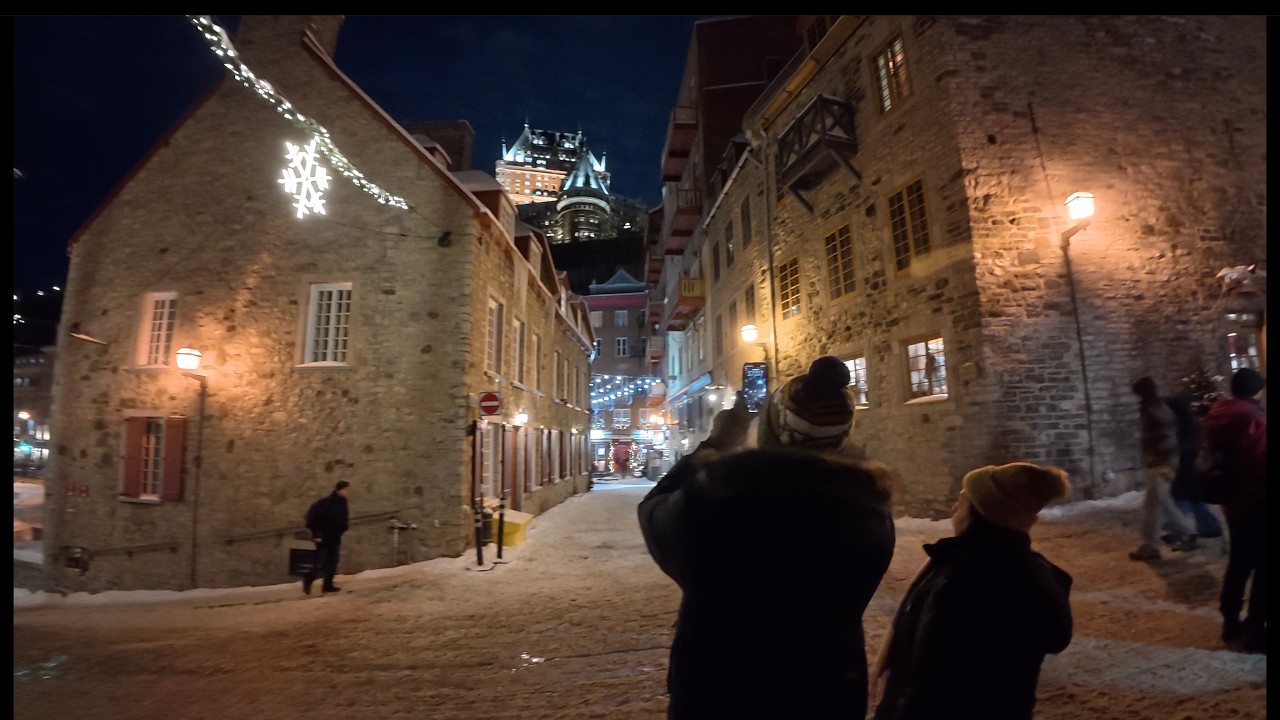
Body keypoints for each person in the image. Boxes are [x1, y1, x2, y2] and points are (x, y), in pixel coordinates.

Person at [637, 356, 896, 719]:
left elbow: (652, 510)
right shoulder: (867, 510)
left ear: (775, 428)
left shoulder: (714, 504)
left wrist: (717, 443)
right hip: (826, 693)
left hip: (720, 696)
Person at [870, 462, 1073, 720]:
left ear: (980, 513)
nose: (955, 508)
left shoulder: (961, 580)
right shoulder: (1034, 572)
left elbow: (932, 679)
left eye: (962, 501)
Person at [1203, 367, 1267, 654]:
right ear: (1257, 391)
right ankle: (1255, 629)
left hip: (1233, 503)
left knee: (1239, 563)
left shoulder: (1218, 413)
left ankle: (1230, 622)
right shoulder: (1256, 420)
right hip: (1258, 503)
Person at [1129, 376, 1198, 561]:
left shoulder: (1156, 409)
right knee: (1153, 505)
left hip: (1162, 464)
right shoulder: (1151, 407)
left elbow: (1168, 437)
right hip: (1157, 463)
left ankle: (1187, 532)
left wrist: (1164, 462)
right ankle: (1150, 545)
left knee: (1161, 503)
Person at [1163, 392, 1223, 541]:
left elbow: (1186, 445)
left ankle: (1183, 529)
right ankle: (1205, 527)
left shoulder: (1184, 423)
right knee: (1191, 498)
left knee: (1183, 496)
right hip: (1191, 465)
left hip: (1188, 465)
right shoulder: (1189, 420)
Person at [303, 480, 350, 594]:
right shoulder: (326, 503)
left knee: (332, 561)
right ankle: (308, 579)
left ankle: (327, 585)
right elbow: (312, 518)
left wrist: (342, 529)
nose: (346, 492)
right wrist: (316, 534)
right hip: (324, 537)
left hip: (335, 537)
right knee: (320, 562)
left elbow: (342, 519)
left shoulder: (342, 503)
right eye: (345, 489)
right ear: (339, 490)